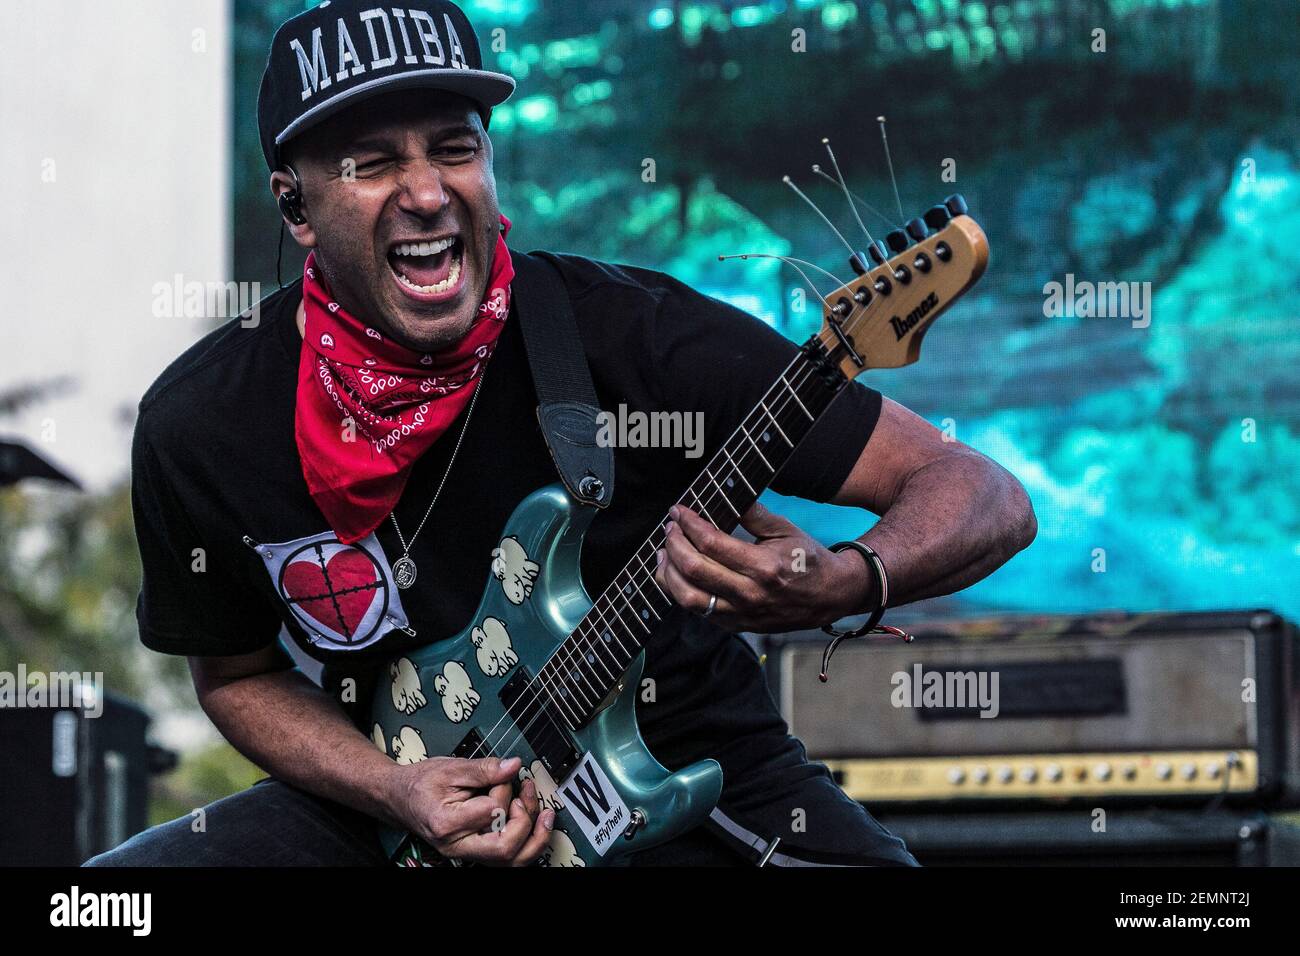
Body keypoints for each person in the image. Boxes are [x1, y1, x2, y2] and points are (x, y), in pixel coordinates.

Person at [88, 0, 1035, 867]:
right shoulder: (204, 423)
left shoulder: (631, 335)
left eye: (453, 148)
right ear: (295, 205)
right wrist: (394, 789)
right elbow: (237, 676)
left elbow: (979, 491)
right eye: (373, 163)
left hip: (683, 767)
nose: (425, 192)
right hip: (390, 799)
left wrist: (849, 577)